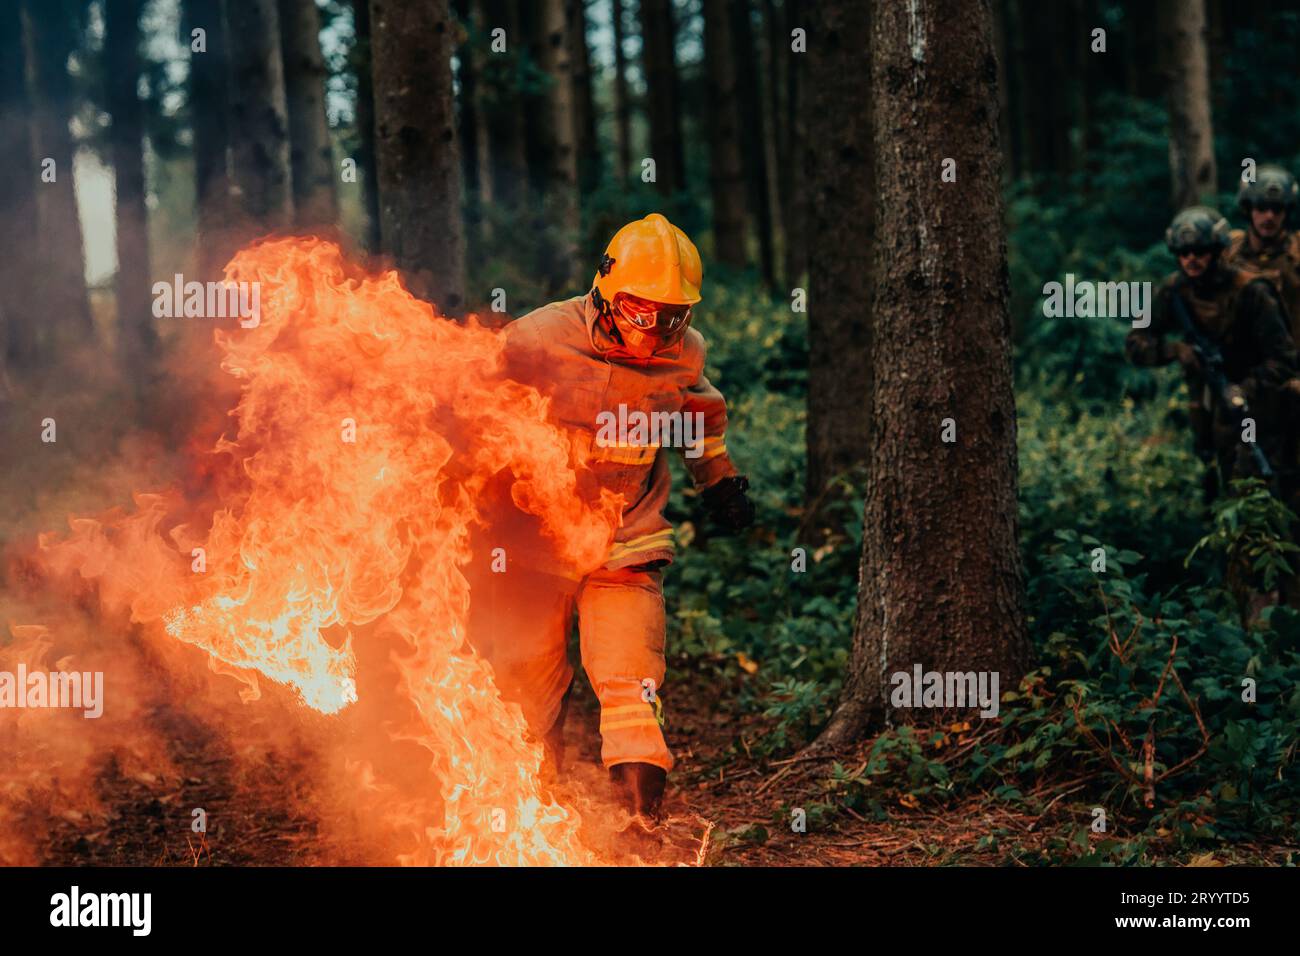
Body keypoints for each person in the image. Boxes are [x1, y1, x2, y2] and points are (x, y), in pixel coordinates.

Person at [486, 213, 754, 818]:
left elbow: (700, 417)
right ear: (606, 292)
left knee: (631, 683)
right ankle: (530, 815)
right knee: (524, 683)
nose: (651, 333)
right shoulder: (537, 338)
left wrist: (720, 482)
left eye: (671, 317)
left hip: (626, 544)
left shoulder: (684, 355)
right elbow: (468, 410)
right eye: (639, 311)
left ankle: (640, 828)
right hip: (533, 549)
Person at [1126, 206, 1295, 505]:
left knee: (1259, 492)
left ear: (1216, 251)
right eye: (1184, 251)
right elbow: (1136, 343)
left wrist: (1245, 389)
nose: (1191, 259)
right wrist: (1174, 350)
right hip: (1206, 407)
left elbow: (1284, 359)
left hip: (1260, 408)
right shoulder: (1172, 291)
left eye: (1200, 251)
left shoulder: (1252, 292)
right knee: (1214, 488)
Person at [1224, 164, 1300, 338]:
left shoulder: (1297, 250)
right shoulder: (1228, 249)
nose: (1269, 216)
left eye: (1277, 209)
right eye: (1261, 207)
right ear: (1248, 209)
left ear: (1286, 212)